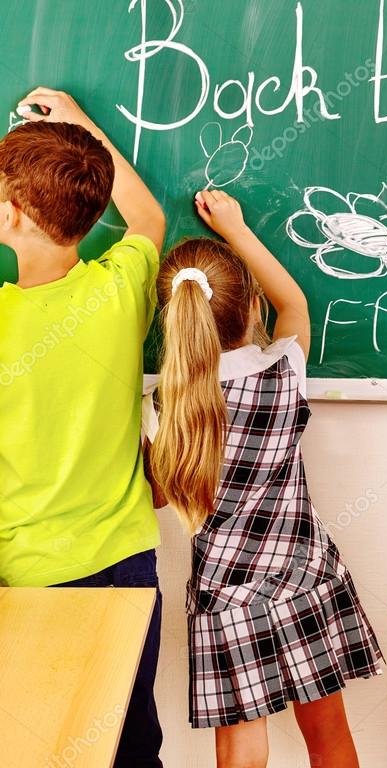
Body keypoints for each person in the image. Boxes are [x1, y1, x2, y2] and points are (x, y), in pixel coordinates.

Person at [150, 190, 384, 767]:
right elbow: (294, 301)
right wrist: (236, 229)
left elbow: (159, 496)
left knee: (240, 751)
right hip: (304, 577)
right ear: (253, 306)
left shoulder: (167, 409)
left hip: (226, 597)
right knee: (329, 734)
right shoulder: (284, 369)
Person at [0, 88, 167, 766]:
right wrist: (81, 126)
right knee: (132, 746)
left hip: (34, 575)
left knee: (42, 750)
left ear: (10, 214)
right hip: (126, 561)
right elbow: (147, 217)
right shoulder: (121, 289)